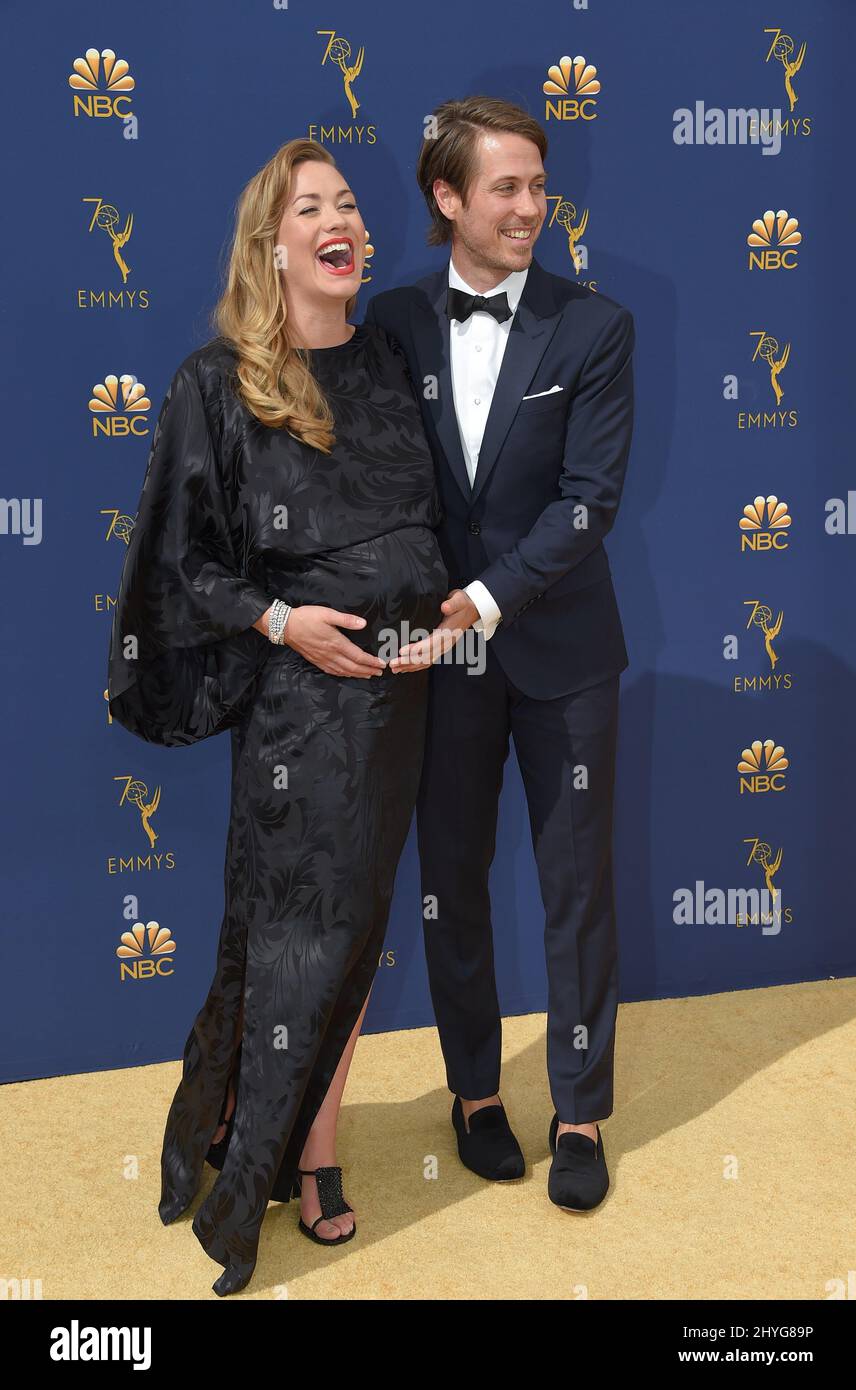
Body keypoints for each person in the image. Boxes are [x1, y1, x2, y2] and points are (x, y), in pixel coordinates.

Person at [106, 138, 448, 1295]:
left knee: (348, 939)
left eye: (350, 202)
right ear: (274, 243)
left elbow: (421, 527)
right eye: (313, 207)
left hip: (397, 698)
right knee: (288, 938)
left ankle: (305, 1145)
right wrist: (279, 624)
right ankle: (251, 1152)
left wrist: (444, 621)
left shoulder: (390, 360)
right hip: (300, 714)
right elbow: (180, 562)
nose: (341, 219)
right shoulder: (219, 383)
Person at [366, 96, 635, 1211]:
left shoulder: (594, 325)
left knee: (576, 889)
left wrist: (480, 600)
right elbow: (372, 485)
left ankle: (577, 1113)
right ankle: (474, 1093)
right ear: (447, 199)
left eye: (538, 185)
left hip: (561, 649)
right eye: (506, 189)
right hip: (439, 656)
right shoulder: (389, 321)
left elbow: (587, 504)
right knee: (453, 884)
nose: (531, 207)